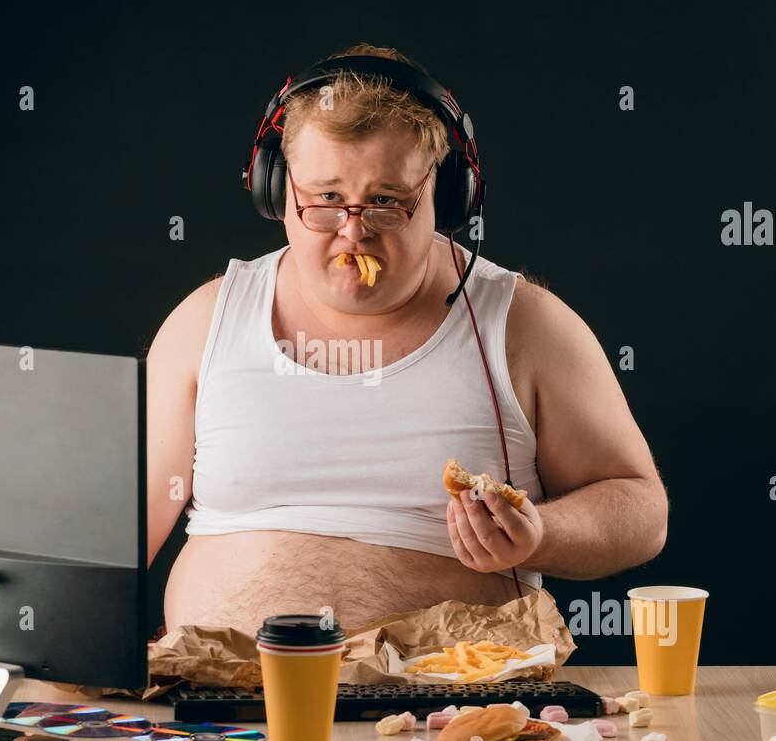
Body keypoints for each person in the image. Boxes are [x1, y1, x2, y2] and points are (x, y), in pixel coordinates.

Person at [148, 43, 668, 634]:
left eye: (386, 202)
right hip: (223, 705)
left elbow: (641, 511)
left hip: (451, 709)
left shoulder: (523, 324)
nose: (354, 232)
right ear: (276, 191)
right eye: (325, 199)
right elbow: (121, 531)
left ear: (446, 198)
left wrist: (540, 535)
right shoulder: (207, 320)